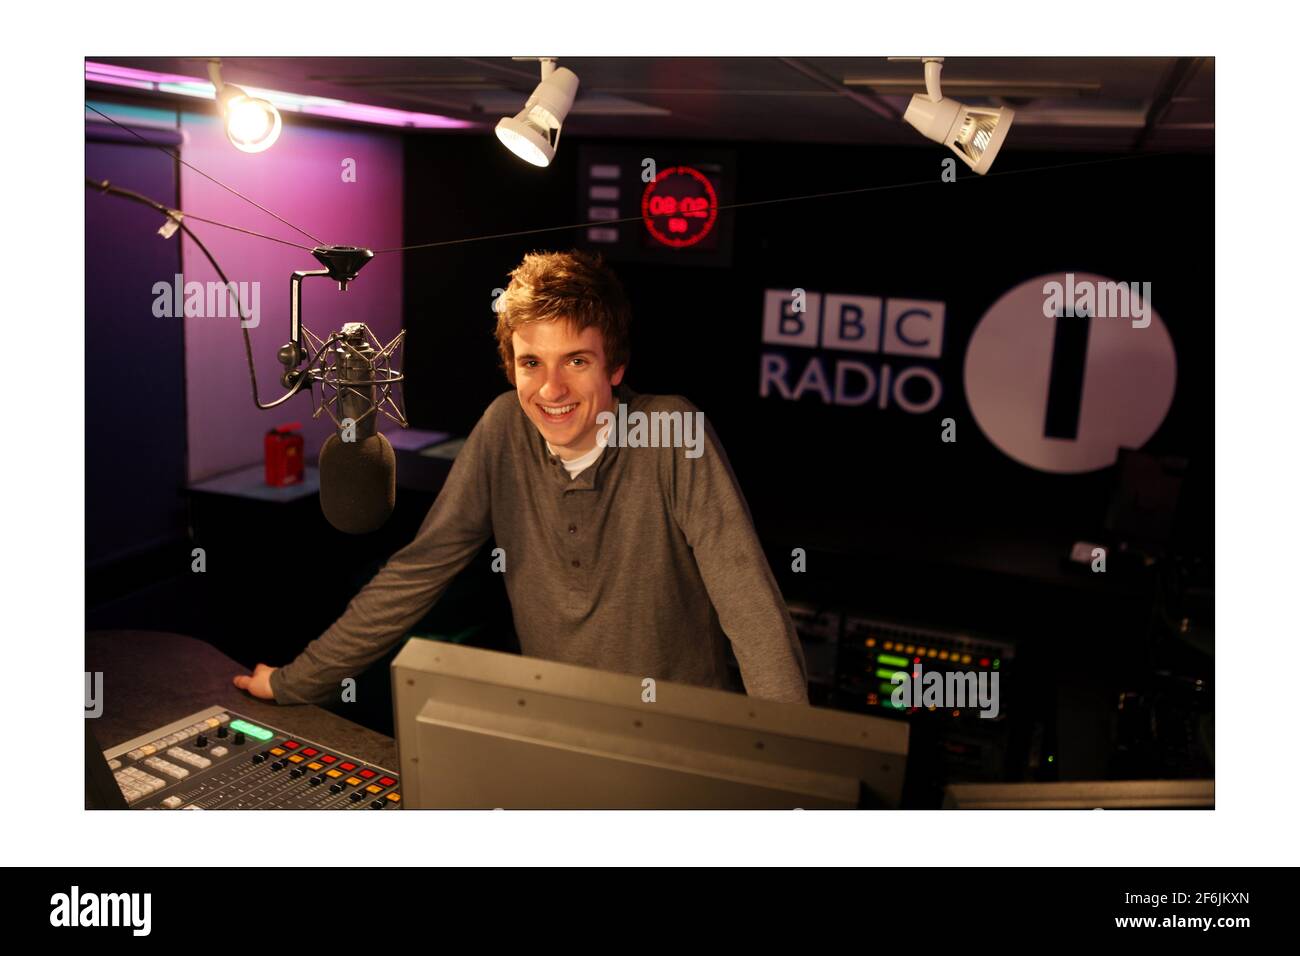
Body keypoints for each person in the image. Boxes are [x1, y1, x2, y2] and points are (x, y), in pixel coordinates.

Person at [234, 249, 808, 705]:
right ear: (511, 368)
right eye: (532, 363)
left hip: (682, 746)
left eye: (576, 361)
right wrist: (295, 682)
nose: (552, 390)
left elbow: (749, 606)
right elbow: (418, 570)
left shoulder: (670, 429)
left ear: (615, 366)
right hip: (557, 735)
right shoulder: (505, 426)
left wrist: (792, 779)